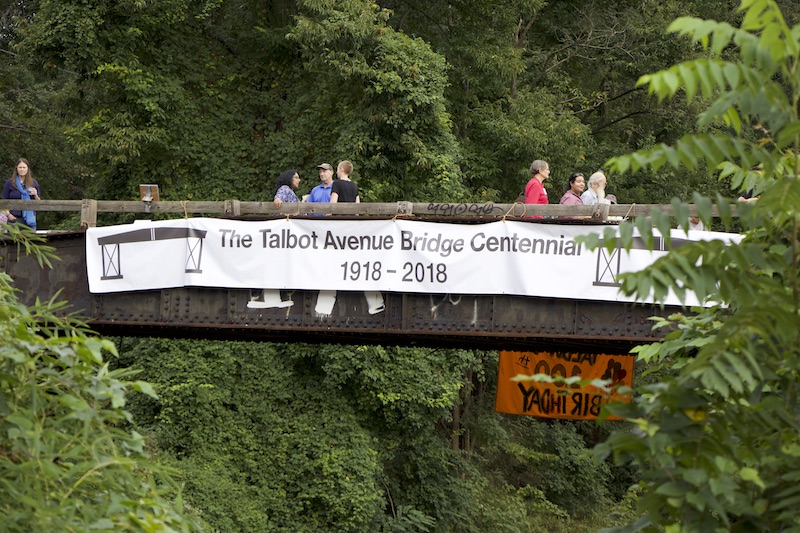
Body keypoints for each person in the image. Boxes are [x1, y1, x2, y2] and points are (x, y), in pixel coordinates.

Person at [2, 158, 41, 230]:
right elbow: (3, 200)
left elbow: (38, 203)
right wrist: (8, 214)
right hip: (14, 218)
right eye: (20, 167)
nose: (22, 169)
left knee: (31, 240)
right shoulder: (10, 183)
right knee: (13, 241)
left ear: (27, 169)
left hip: (30, 219)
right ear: (16, 168)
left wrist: (35, 195)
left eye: (24, 167)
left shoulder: (33, 183)